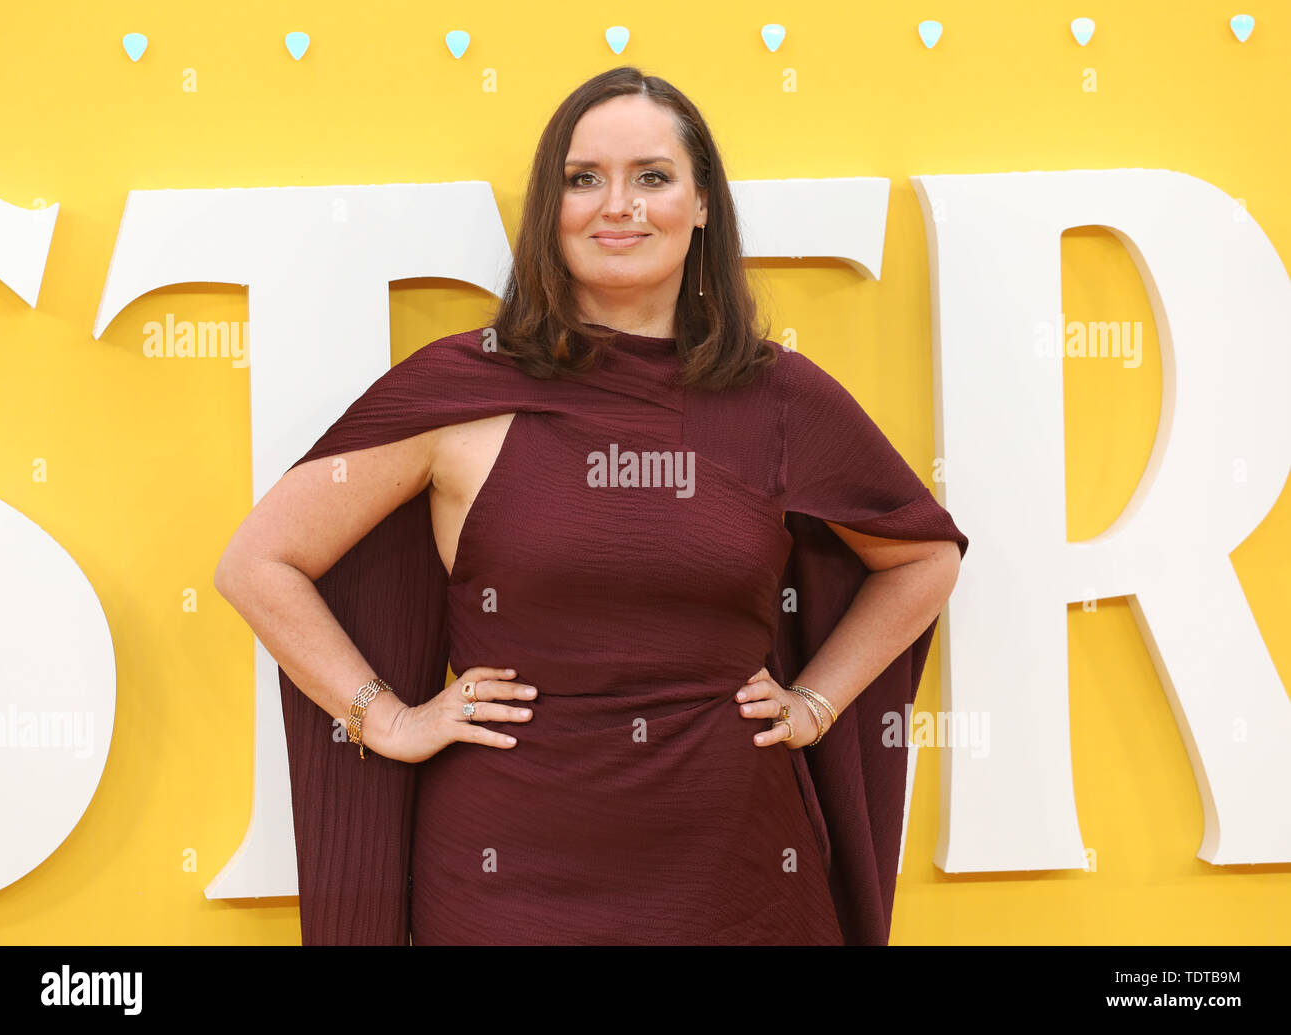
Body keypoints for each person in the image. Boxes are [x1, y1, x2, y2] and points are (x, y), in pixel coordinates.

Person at [214, 65, 968, 945]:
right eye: (584, 179)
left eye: (653, 176)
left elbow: (924, 555)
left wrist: (816, 701)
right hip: (508, 879)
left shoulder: (779, 397)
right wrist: (384, 718)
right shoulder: (465, 385)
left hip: (739, 871)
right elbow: (257, 563)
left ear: (702, 205)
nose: (619, 205)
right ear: (550, 210)